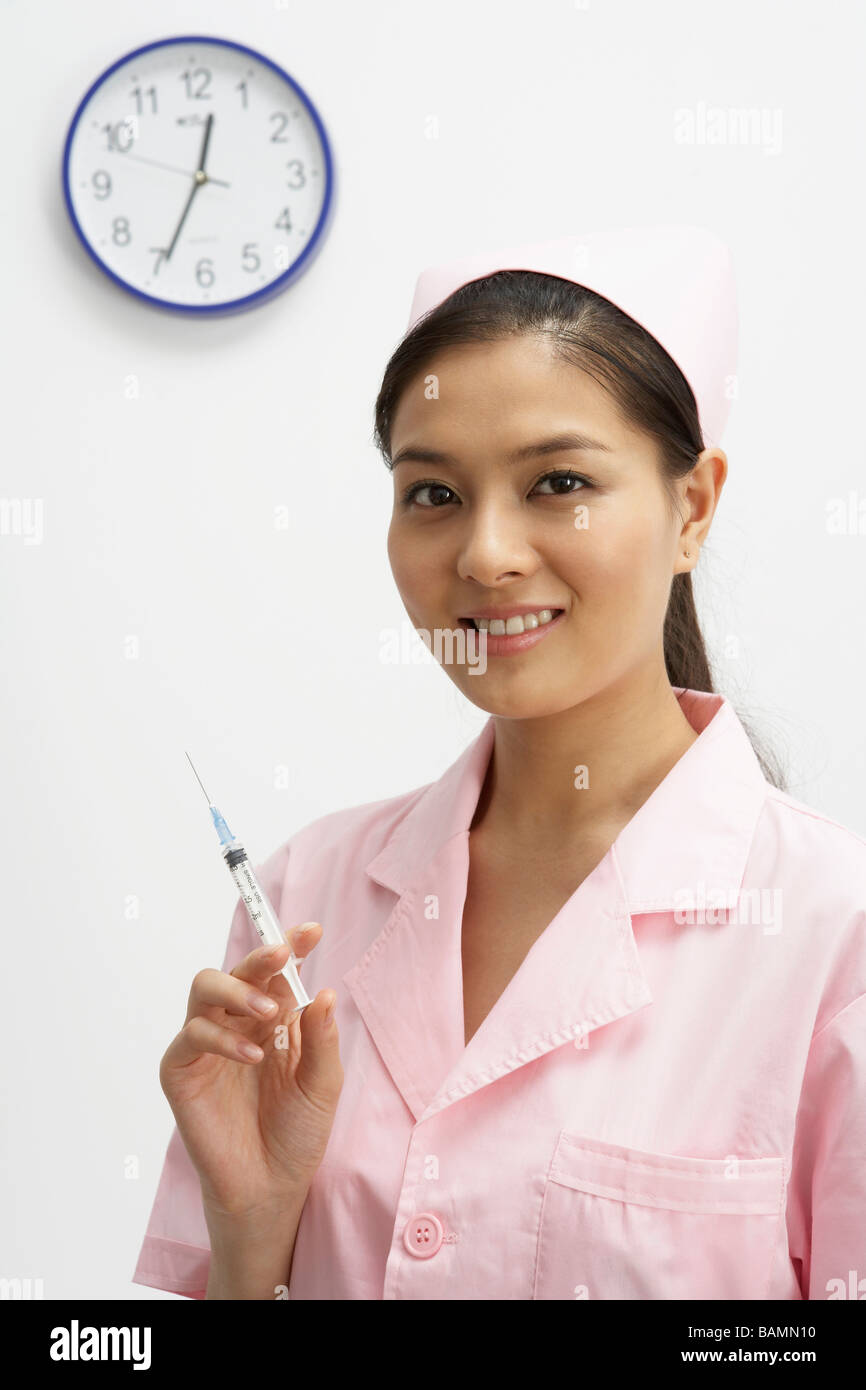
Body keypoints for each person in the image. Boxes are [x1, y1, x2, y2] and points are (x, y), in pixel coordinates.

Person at [132, 226, 866, 1300]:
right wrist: (251, 1240)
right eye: (431, 493)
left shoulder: (828, 931)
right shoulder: (303, 896)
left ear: (690, 508)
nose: (483, 553)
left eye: (556, 480)